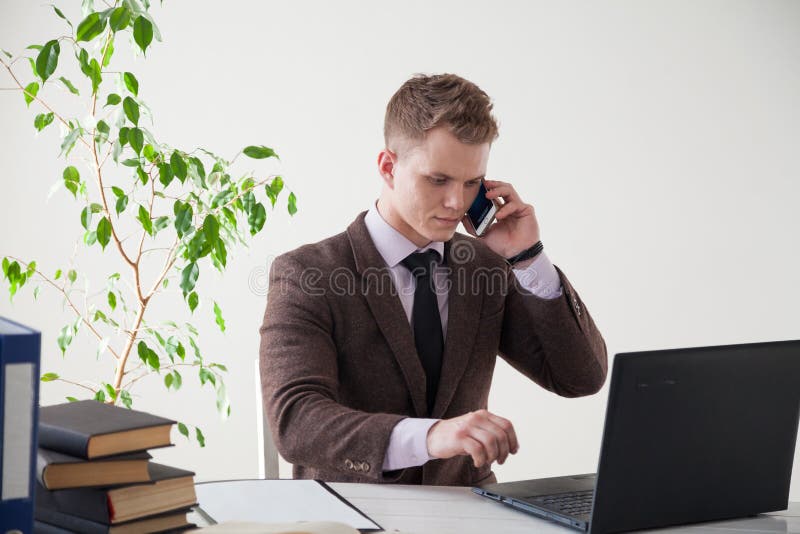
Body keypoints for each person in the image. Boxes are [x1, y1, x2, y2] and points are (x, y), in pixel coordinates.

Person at [259, 73, 607, 486]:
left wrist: (527, 257)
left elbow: (579, 377)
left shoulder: (485, 266)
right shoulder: (308, 274)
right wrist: (431, 435)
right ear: (389, 167)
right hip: (353, 517)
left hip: (470, 516)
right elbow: (296, 421)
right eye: (438, 179)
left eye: (472, 183)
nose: (456, 202)